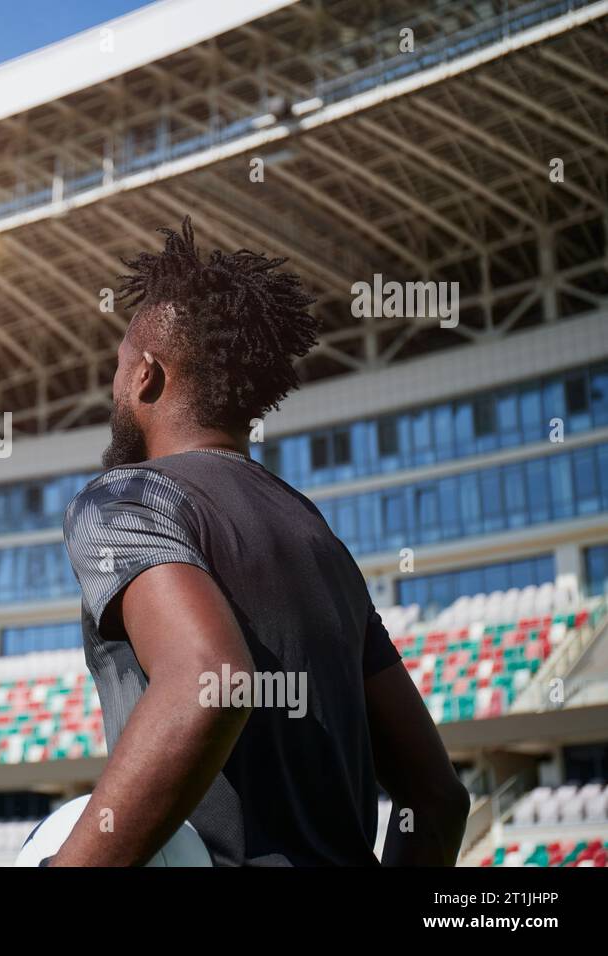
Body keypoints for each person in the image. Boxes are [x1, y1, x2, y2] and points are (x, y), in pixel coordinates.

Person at [48, 218, 470, 866]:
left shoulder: (124, 497)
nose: (113, 389)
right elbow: (437, 798)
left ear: (147, 377)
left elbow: (212, 679)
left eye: (119, 368)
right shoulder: (319, 540)